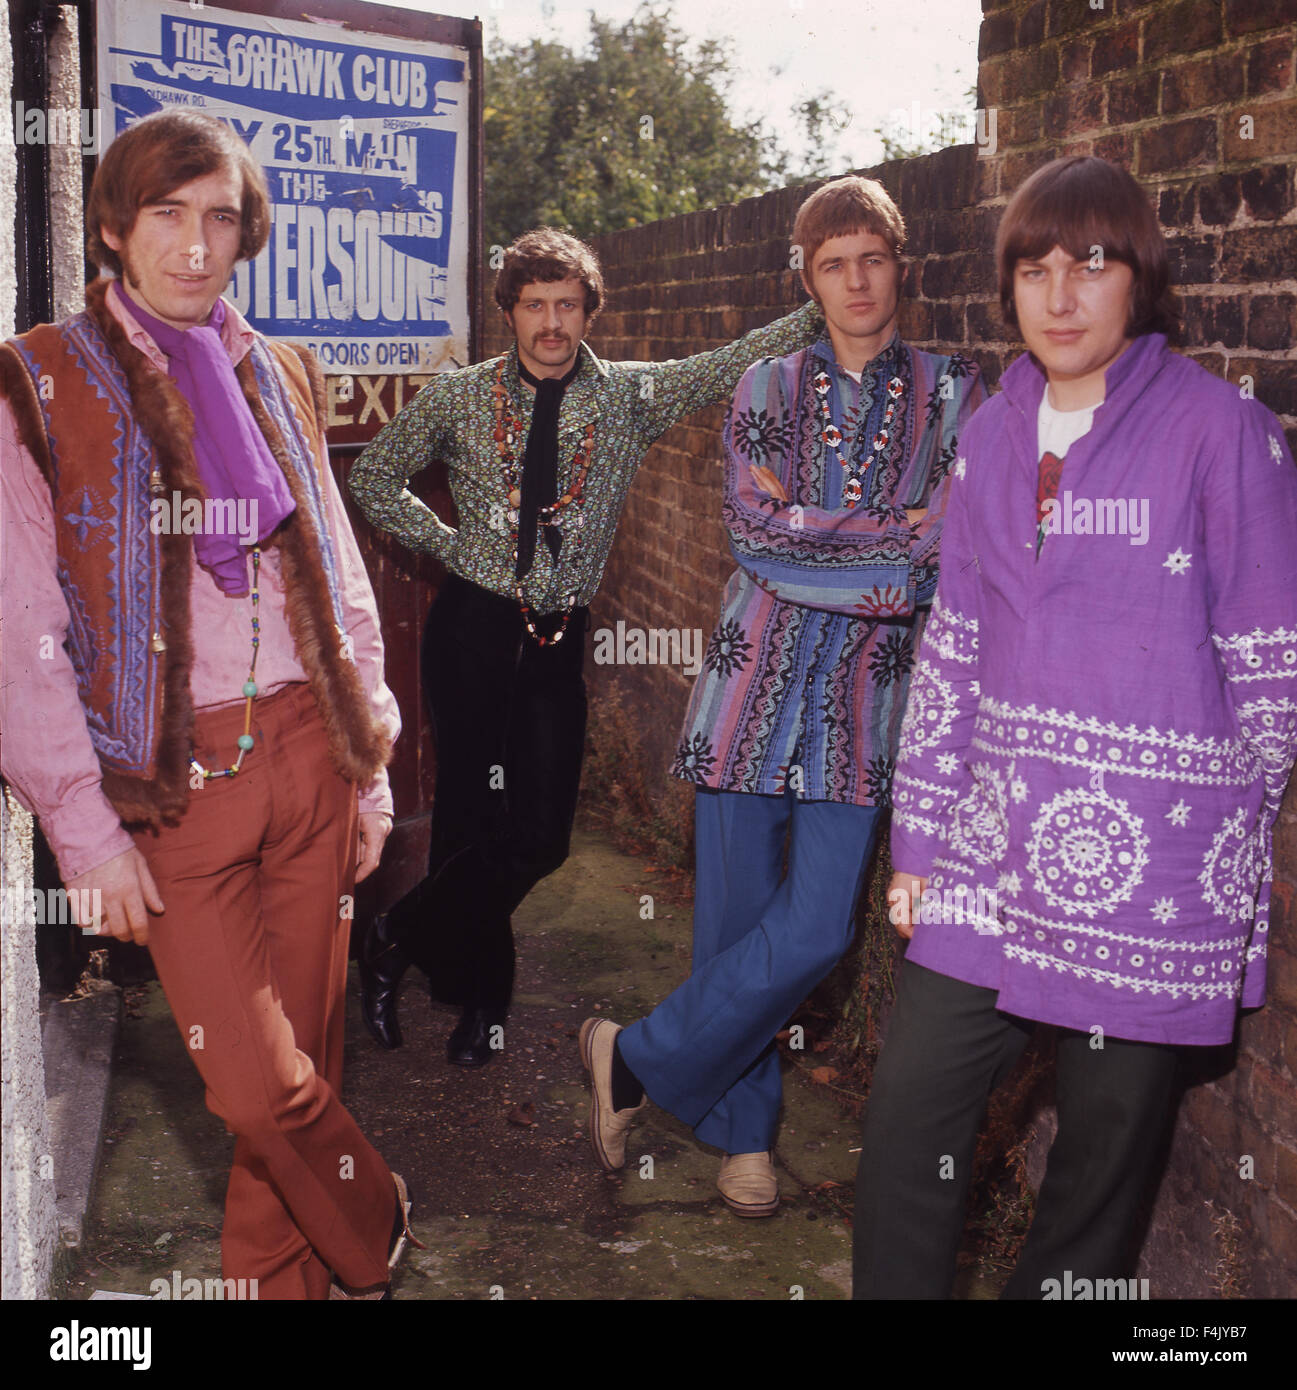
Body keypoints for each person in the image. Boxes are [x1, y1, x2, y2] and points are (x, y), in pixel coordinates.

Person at [853, 155, 1297, 1298]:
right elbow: (949, 656)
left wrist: (1214, 854)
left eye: (1087, 268)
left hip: (1149, 886)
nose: (1058, 296)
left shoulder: (1218, 431)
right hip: (987, 862)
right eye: (1034, 269)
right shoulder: (991, 436)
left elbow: (1270, 669)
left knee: (1095, 1184)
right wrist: (918, 848)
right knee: (909, 1126)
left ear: (1134, 282)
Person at [0, 111, 411, 1300]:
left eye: (219, 216)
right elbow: (21, 637)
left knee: (304, 1057)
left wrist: (370, 762)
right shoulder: (39, 379)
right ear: (117, 227)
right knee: (252, 1082)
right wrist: (80, 828)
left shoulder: (275, 367)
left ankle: (271, 1285)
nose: (194, 244)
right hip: (171, 788)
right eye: (168, 214)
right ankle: (374, 1222)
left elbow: (337, 570)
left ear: (246, 231)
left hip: (310, 752)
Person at [579, 175, 985, 1216]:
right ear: (805, 276)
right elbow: (758, 540)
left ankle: (629, 1054)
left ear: (902, 266)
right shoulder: (764, 387)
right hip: (748, 690)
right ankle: (743, 1134)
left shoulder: (954, 394)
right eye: (832, 262)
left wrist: (843, 543)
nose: (855, 280)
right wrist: (886, 554)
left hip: (866, 705)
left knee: (815, 933)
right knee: (734, 926)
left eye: (873, 258)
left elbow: (943, 555)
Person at [348, 226, 827, 1066]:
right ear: (510, 312)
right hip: (471, 629)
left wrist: (819, 305)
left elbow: (727, 361)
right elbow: (374, 476)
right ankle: (477, 1001)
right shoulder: (461, 396)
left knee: (540, 836)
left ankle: (395, 935)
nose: (551, 324)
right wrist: (456, 546)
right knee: (469, 815)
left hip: (557, 638)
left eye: (566, 305)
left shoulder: (627, 399)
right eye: (534, 305)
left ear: (589, 311)